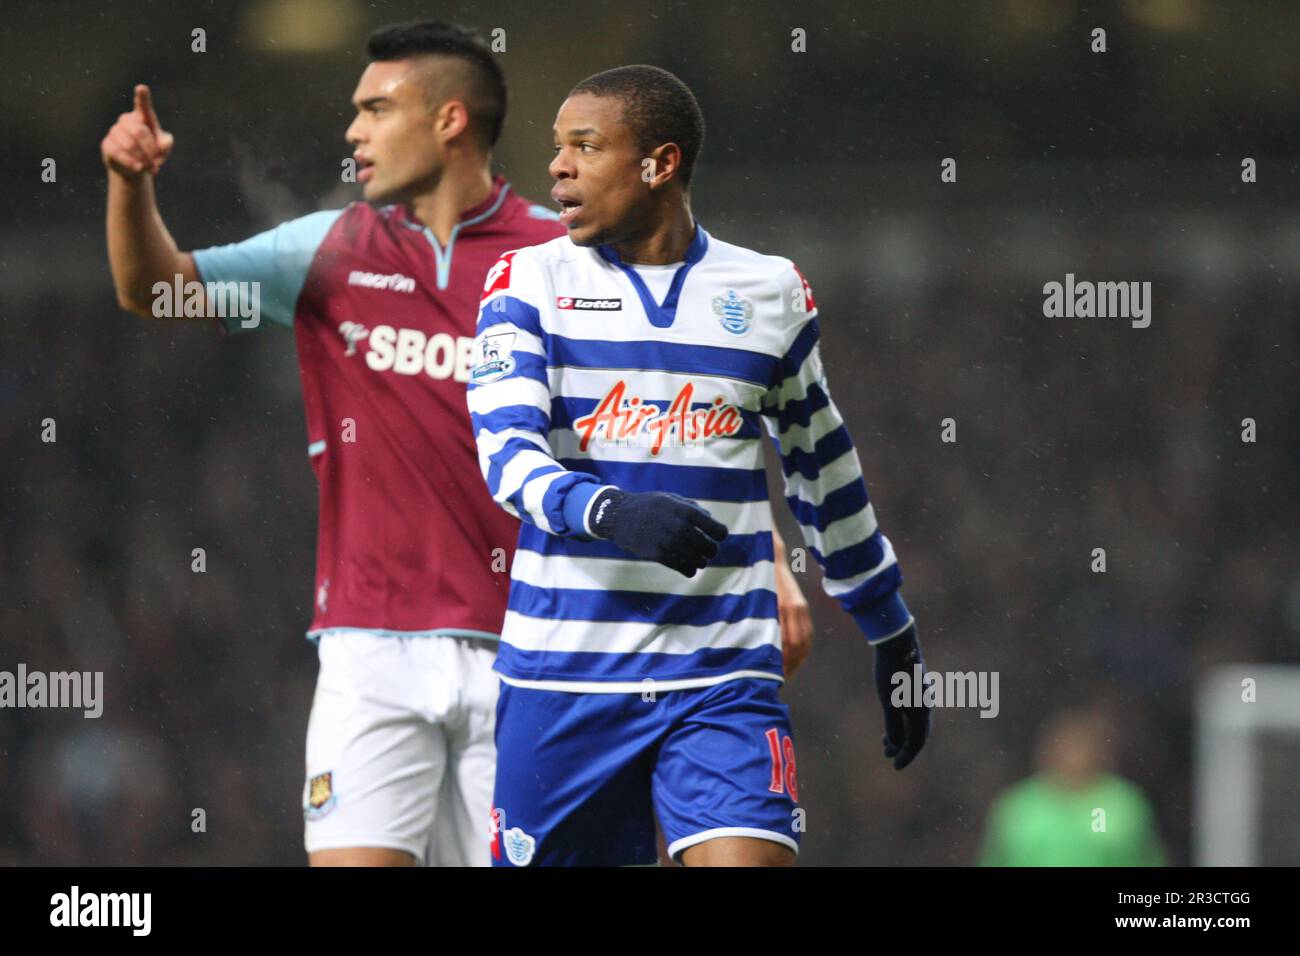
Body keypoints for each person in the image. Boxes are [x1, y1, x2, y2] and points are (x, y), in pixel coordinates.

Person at [101, 22, 810, 866]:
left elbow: (687, 408)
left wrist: (766, 558)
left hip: (539, 651)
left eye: (375, 109)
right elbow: (155, 290)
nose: (354, 131)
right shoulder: (330, 251)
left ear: (449, 120)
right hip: (370, 645)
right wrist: (128, 186)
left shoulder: (562, 256)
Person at [469, 65, 931, 867]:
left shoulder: (769, 291)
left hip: (721, 676)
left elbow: (822, 468)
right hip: (563, 678)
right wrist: (609, 510)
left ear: (660, 163)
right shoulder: (527, 281)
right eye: (557, 147)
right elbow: (505, 453)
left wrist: (890, 627)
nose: (558, 168)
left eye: (586, 146)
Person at [979, 708, 1166, 866]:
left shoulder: (1124, 804)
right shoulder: (1018, 805)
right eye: (1066, 747)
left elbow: (1148, 859)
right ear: (1047, 751)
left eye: (1080, 748)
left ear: (1098, 753)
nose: (1073, 757)